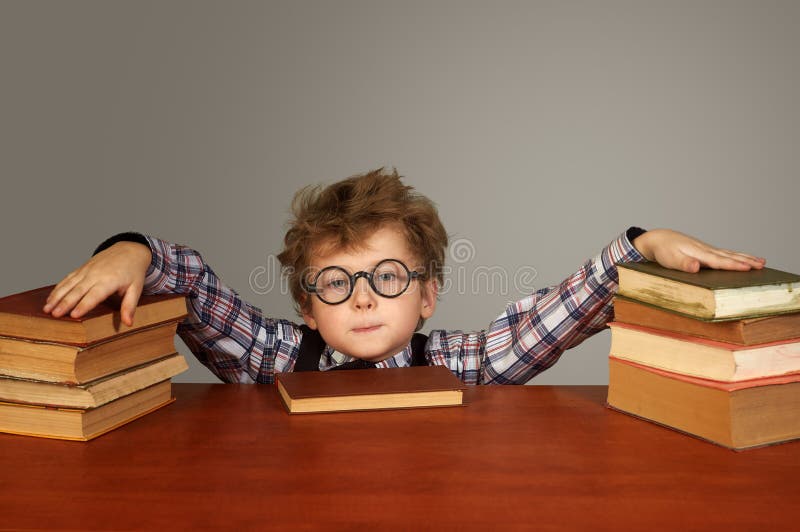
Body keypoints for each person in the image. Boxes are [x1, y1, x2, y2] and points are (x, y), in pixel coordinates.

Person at [42, 169, 765, 384]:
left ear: (427, 296)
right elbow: (194, 285)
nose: (361, 298)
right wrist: (132, 246)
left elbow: (558, 314)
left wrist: (639, 244)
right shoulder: (267, 359)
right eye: (336, 284)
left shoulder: (461, 365)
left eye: (387, 278)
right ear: (306, 303)